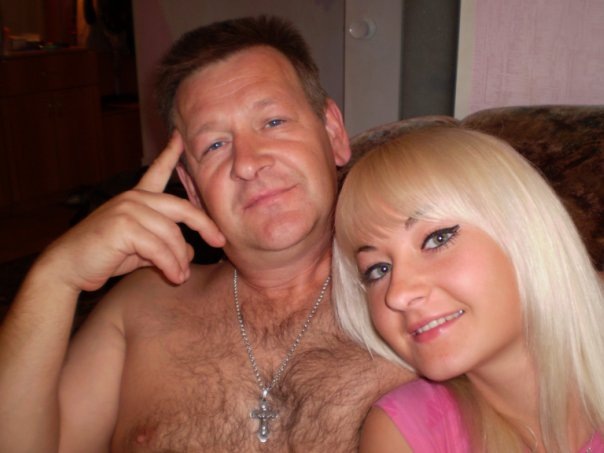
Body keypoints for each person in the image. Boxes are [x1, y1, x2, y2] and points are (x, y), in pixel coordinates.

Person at [0, 16, 412, 452]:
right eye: (215, 145)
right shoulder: (141, 307)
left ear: (333, 132)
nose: (248, 162)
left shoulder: (415, 299)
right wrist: (54, 276)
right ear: (192, 188)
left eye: (273, 122)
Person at [333, 126, 604, 452]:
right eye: (379, 270)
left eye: (437, 239)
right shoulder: (406, 433)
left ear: (524, 232)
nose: (398, 294)